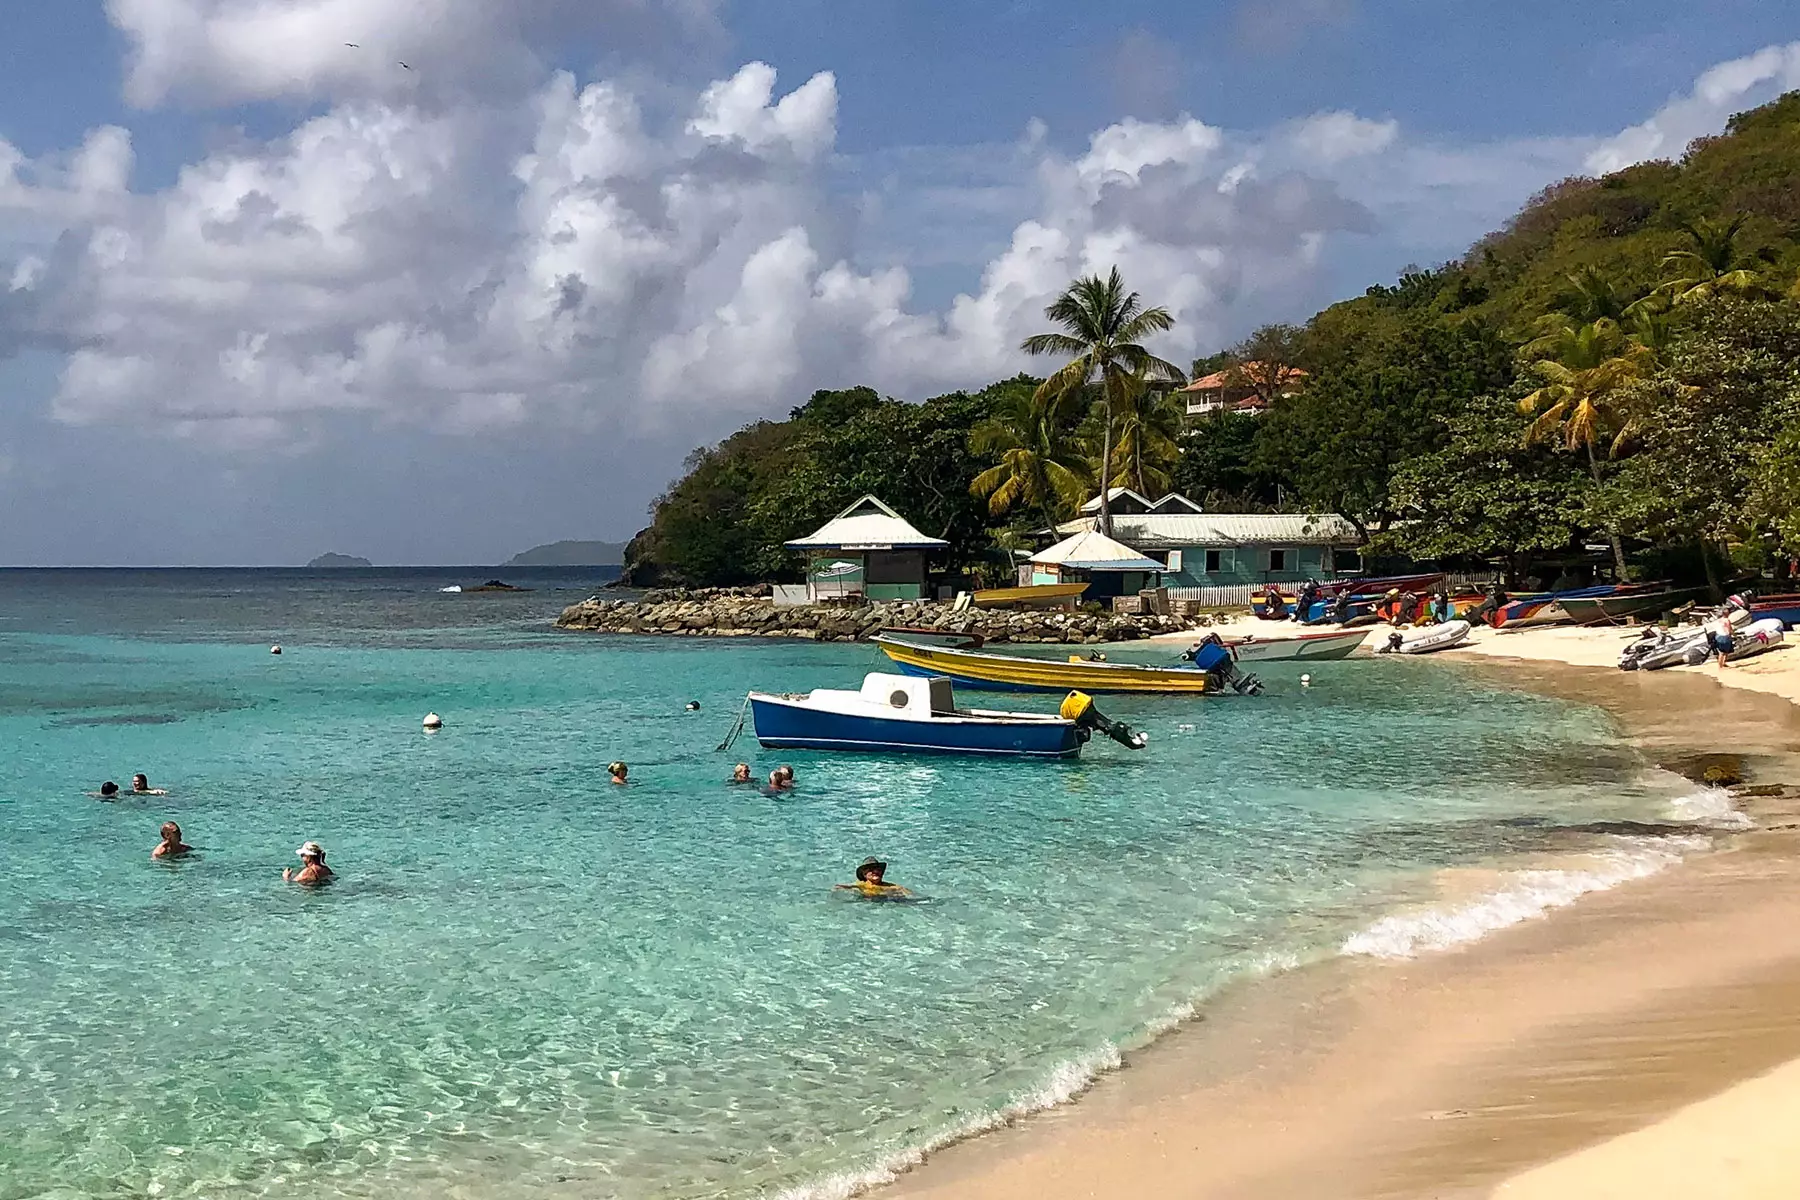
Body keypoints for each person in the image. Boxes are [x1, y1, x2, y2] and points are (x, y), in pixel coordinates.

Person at [836, 857, 911, 899]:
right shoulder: (862, 884)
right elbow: (847, 886)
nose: (875, 871)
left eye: (877, 869)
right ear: (864, 874)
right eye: (871, 870)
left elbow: (905, 891)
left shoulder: (889, 886)